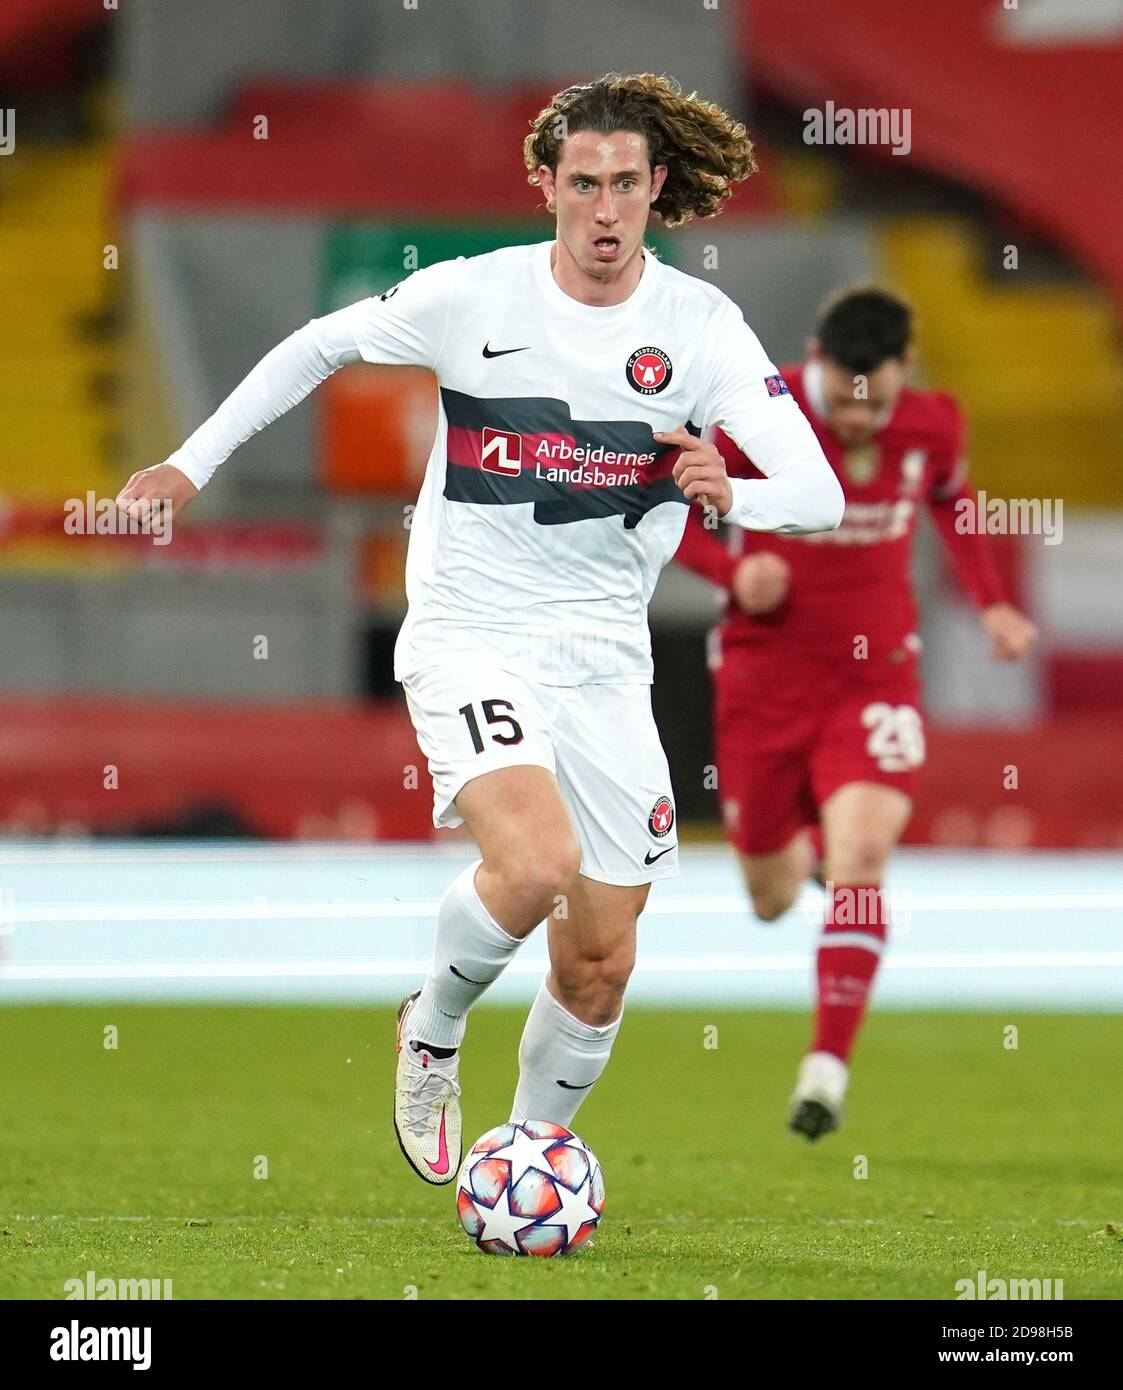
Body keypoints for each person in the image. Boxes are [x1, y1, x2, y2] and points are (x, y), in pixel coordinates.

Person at [115, 73, 844, 1185]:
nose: (605, 209)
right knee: (538, 860)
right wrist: (187, 463)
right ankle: (434, 1027)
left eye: (627, 186)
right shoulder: (474, 300)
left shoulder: (699, 331)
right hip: (471, 630)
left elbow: (821, 493)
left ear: (658, 191)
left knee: (600, 956)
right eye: (584, 184)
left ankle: (532, 1155)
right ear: (545, 186)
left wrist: (733, 493)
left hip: (602, 657)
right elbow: (319, 345)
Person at [674, 287, 1037, 1139]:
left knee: (864, 854)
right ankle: (807, 859)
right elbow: (662, 512)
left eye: (873, 403)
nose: (859, 422)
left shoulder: (933, 426)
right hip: (765, 679)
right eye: (841, 402)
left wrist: (988, 602)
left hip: (874, 679)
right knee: (766, 896)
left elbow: (953, 499)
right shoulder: (754, 414)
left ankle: (825, 1071)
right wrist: (732, 577)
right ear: (816, 363)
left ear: (904, 370)